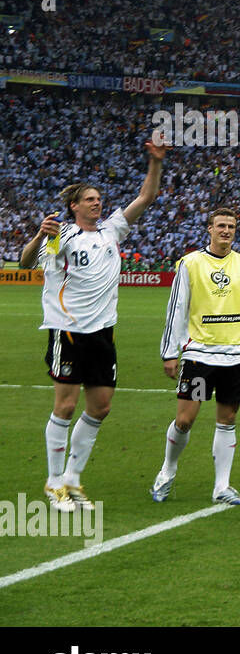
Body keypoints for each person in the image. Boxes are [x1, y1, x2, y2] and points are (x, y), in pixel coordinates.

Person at [19, 141, 165, 511]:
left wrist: (155, 160)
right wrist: (40, 236)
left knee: (100, 407)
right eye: (89, 199)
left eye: (99, 198)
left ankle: (73, 480)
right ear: (74, 206)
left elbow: (146, 197)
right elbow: (25, 264)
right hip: (68, 330)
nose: (97, 203)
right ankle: (53, 485)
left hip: (103, 333)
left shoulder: (112, 231)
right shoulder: (61, 235)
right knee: (65, 407)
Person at [151, 207, 240, 505]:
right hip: (200, 357)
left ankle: (222, 487)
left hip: (234, 357)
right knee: (185, 420)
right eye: (220, 226)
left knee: (228, 419)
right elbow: (176, 308)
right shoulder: (190, 263)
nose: (226, 231)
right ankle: (167, 471)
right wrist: (169, 352)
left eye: (231, 226)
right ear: (209, 228)